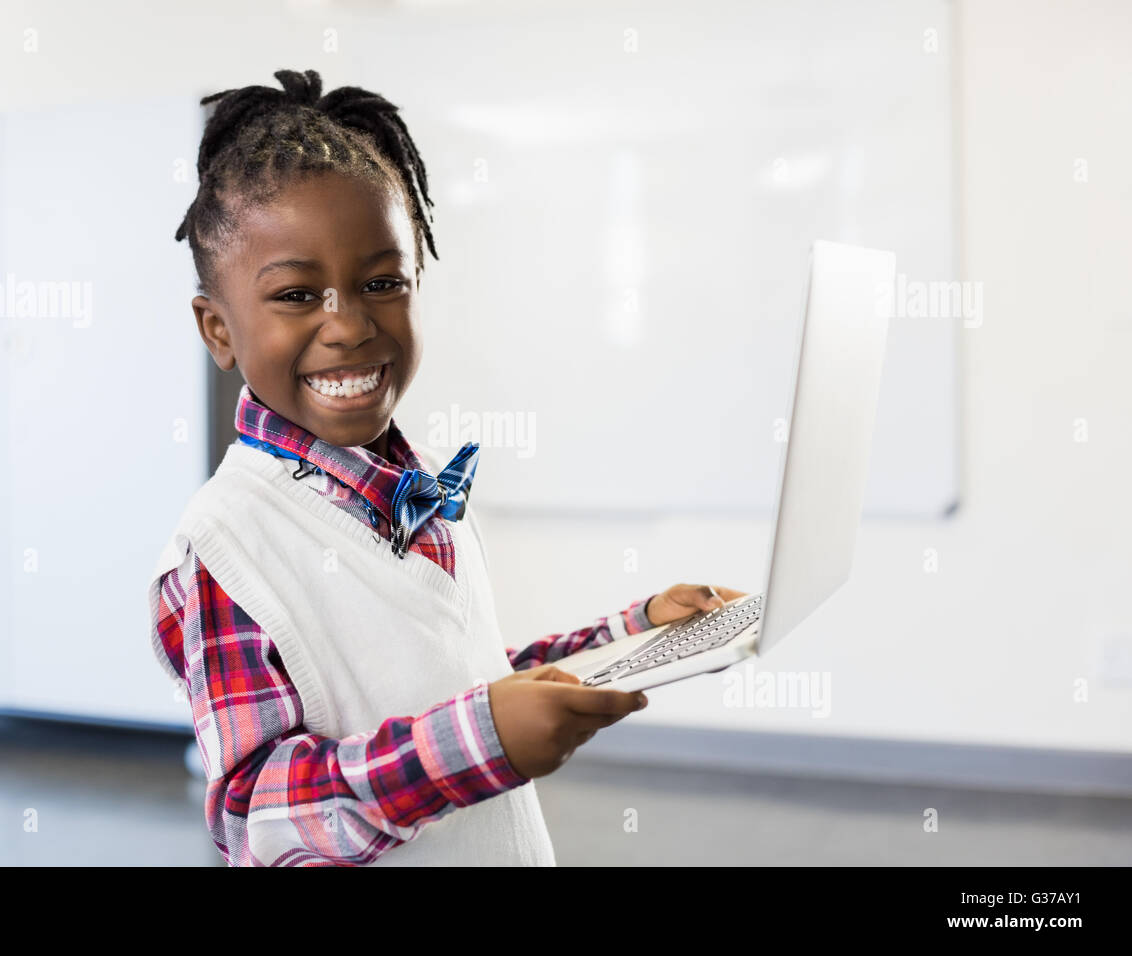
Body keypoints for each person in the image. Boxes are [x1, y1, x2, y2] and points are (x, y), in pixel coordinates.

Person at [147, 69, 744, 866]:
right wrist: (478, 743)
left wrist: (633, 634)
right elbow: (261, 820)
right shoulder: (225, 547)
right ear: (219, 331)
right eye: (296, 295)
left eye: (382, 283)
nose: (350, 325)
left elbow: (469, 688)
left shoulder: (419, 477)